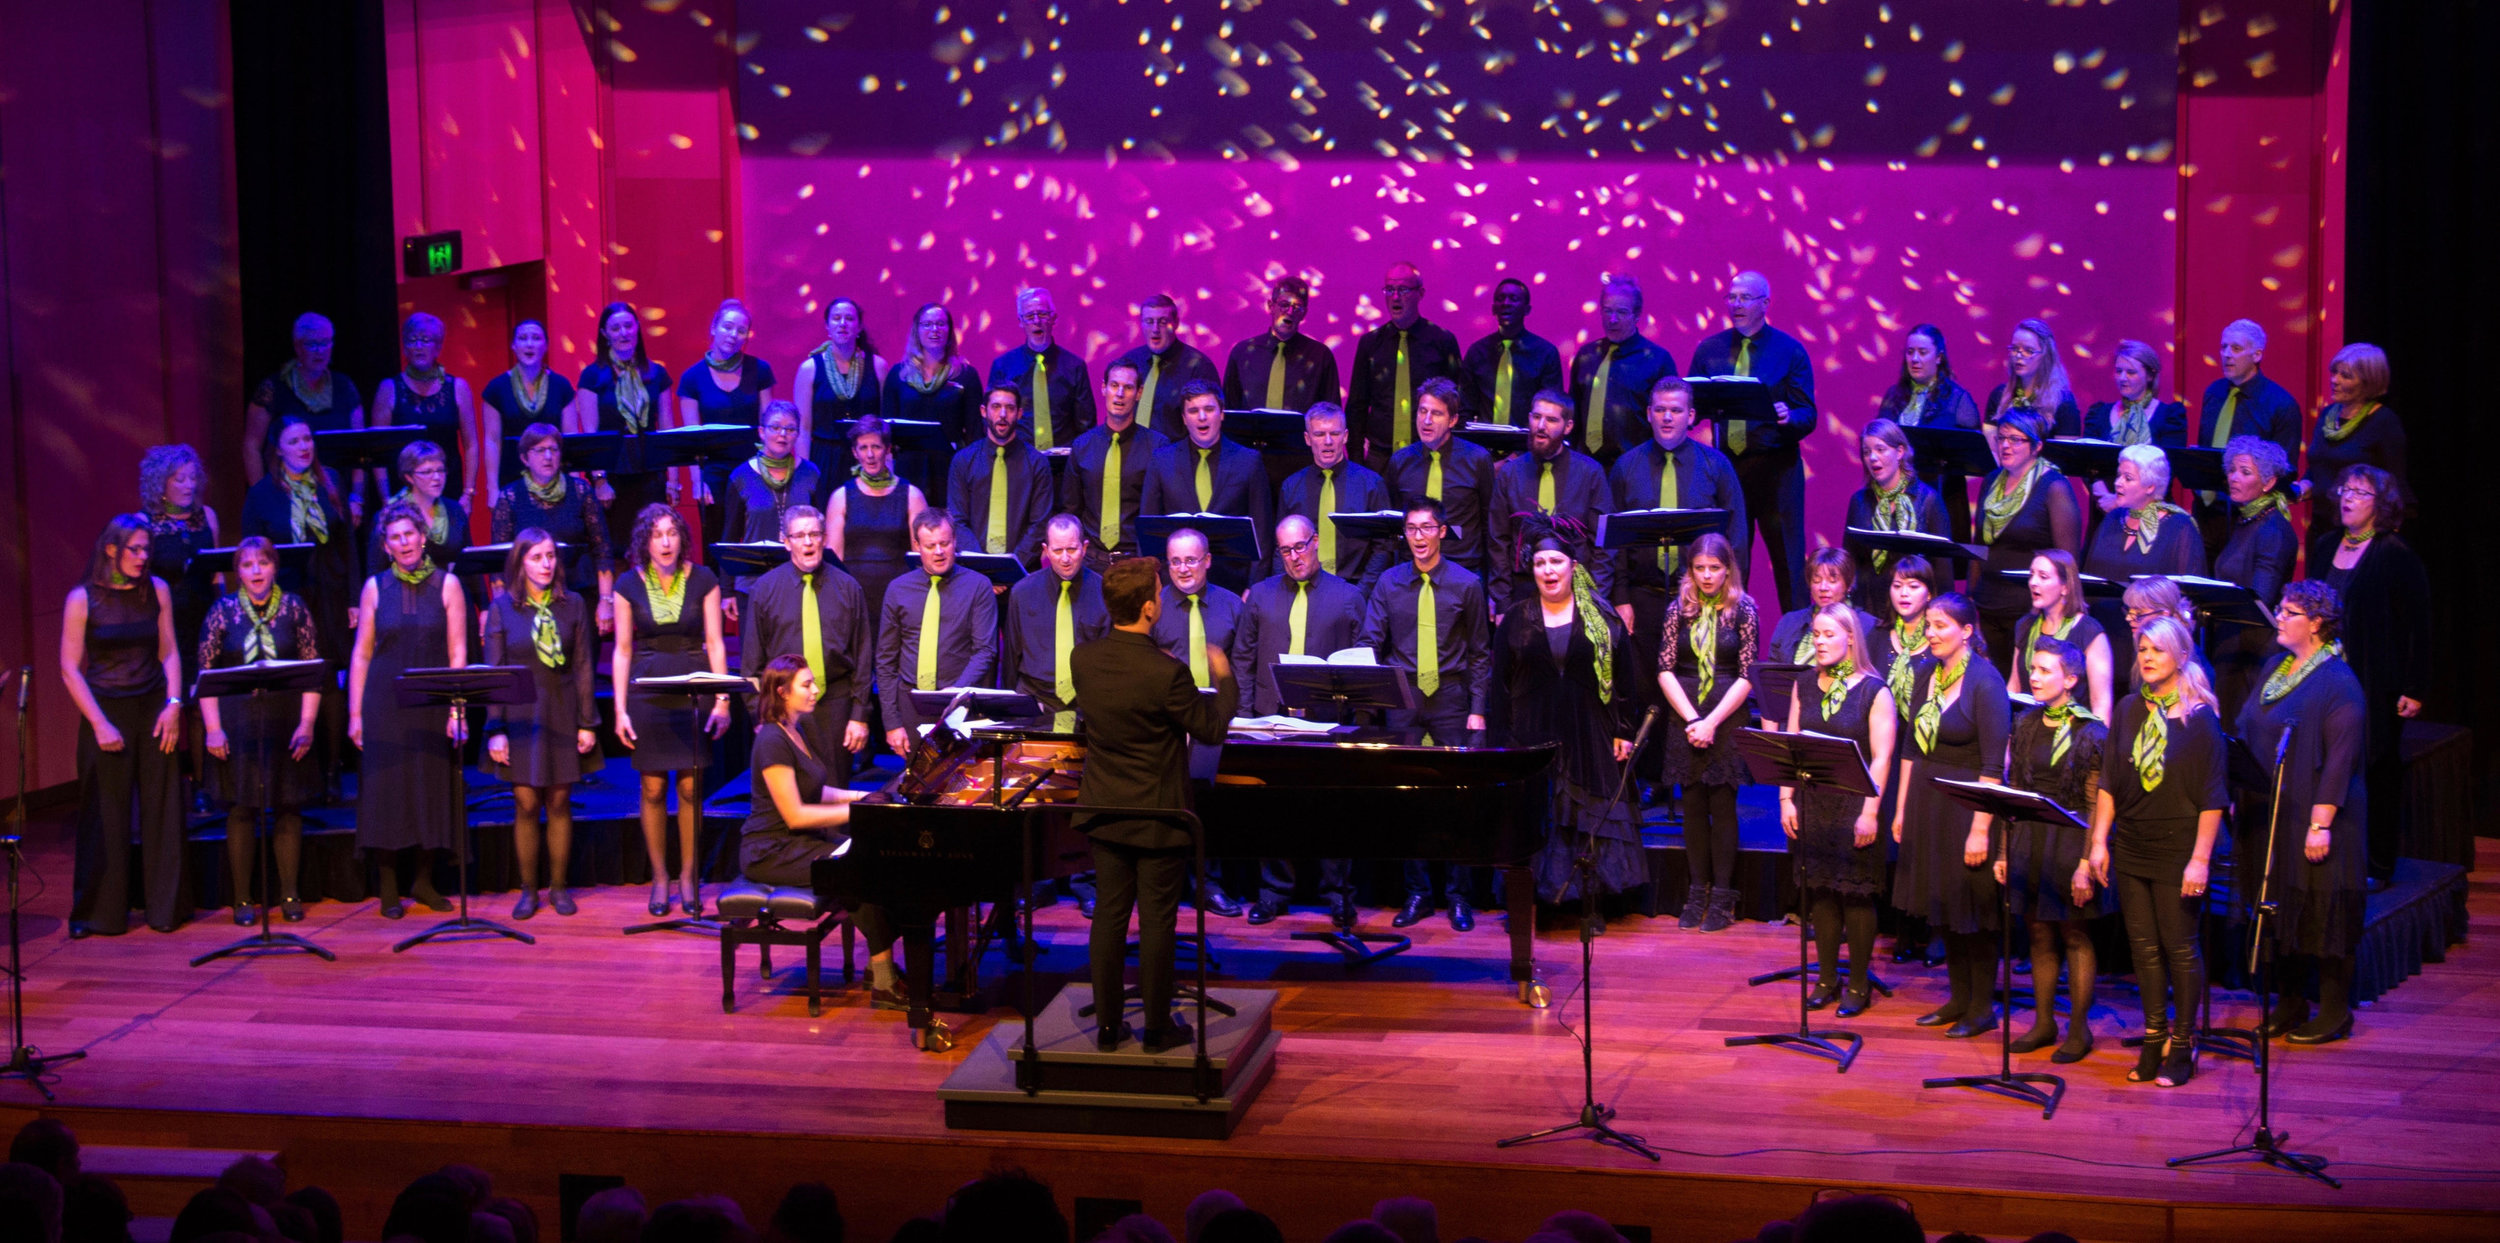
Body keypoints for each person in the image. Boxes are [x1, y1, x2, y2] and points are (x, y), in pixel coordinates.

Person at [1071, 556, 1240, 1052]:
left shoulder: (1084, 659)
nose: (1163, 600)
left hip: (1104, 808)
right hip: (1159, 815)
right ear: (1149, 609)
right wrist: (1225, 678)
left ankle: (1106, 1026)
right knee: (1158, 919)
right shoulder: (1166, 673)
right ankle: (1158, 1028)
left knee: (1109, 915)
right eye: (1160, 595)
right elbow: (1209, 729)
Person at [2083, 616, 2229, 1087]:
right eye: (2142, 648)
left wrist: (2200, 859)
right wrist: (2098, 842)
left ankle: (2183, 1043)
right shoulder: (2128, 709)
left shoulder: (2200, 718)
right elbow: (2109, 781)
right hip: (2133, 843)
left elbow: (2212, 797)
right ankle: (2153, 1036)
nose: (2146, 657)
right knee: (2144, 949)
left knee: (2179, 948)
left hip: (2178, 847)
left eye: (2157, 650)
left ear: (2182, 657)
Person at [2235, 581, 2369, 1045]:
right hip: (2272, 813)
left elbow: (2341, 759)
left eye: (2289, 612)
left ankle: (2334, 1012)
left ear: (2315, 623)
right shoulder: (2276, 666)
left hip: (2314, 815)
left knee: (2321, 910)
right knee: (2279, 908)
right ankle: (2289, 1003)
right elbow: (2249, 724)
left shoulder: (2338, 682)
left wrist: (2321, 823)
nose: (2279, 617)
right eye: (2280, 608)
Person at [1494, 514, 1647, 913]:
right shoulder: (1514, 619)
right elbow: (1500, 685)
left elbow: (1626, 681)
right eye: (1541, 563)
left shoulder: (1602, 618)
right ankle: (1536, 905)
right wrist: (1502, 741)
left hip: (1588, 732)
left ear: (1573, 567)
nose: (1548, 570)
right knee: (1536, 818)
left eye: (1556, 562)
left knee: (1586, 817)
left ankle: (1588, 907)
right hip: (1532, 734)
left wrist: (1623, 730)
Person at [1607, 377, 1745, 797]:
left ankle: (1693, 778)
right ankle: (1649, 779)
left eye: (1676, 410)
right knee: (1646, 684)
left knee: (1691, 682)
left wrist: (1727, 596)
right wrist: (1621, 597)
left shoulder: (1714, 465)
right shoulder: (1626, 466)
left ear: (1691, 416)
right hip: (1646, 597)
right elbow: (1614, 540)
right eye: (1660, 409)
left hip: (1699, 598)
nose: (1667, 417)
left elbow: (1735, 533)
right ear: (1648, 413)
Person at [1362, 499, 1493, 930]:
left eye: (1426, 528)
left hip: (1451, 697)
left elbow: (1479, 653)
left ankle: (1458, 897)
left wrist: (1477, 711)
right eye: (1411, 529)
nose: (1418, 537)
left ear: (1442, 531)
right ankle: (1417, 893)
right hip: (1406, 698)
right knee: (1409, 796)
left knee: (1457, 796)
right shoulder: (1388, 583)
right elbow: (1371, 644)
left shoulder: (1467, 584)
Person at [1231, 514, 1366, 928]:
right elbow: (1243, 656)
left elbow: (1363, 657)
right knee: (1273, 810)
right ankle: (1273, 893)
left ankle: (1339, 894)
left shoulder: (1347, 596)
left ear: (1317, 542)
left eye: (1301, 546)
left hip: (1327, 722)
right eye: (1285, 550)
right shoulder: (1262, 595)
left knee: (1334, 810)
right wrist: (1245, 715)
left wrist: (1355, 720)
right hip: (1272, 719)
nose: (1294, 557)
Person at [1891, 593, 2012, 1037]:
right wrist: (1902, 808)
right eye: (1929, 625)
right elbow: (1909, 746)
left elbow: (1994, 763)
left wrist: (1981, 829)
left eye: (1941, 625)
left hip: (1968, 808)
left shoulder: (1986, 681)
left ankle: (1981, 1008)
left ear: (1966, 631)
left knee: (1972, 912)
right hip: (1928, 800)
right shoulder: (1927, 674)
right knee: (1944, 906)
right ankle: (1958, 999)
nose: (1932, 633)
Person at [62, 514, 186, 937]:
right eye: (135, 549)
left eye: (146, 549)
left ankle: (165, 909)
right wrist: (98, 723)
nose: (142, 556)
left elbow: (169, 652)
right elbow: (68, 668)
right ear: (111, 549)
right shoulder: (83, 598)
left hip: (153, 709)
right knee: (105, 815)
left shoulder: (157, 590)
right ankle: (100, 914)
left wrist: (174, 704)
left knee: (162, 810)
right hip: (105, 712)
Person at [349, 501, 469, 920]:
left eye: (410, 535)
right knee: (387, 791)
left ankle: (423, 879)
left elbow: (458, 652)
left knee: (429, 788)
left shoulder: (448, 586)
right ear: (386, 545)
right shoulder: (374, 588)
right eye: (395, 537)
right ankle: (387, 885)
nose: (404, 543)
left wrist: (458, 710)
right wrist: (355, 714)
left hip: (432, 700)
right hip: (384, 700)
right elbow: (361, 655)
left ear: (424, 537)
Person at [2313, 464, 2429, 889]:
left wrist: (2415, 688)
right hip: (2325, 676)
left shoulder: (2394, 552)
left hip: (2375, 681)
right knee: (2329, 763)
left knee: (2375, 768)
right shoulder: (2326, 545)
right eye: (2345, 489)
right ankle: (2332, 854)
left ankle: (2377, 865)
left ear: (2381, 506)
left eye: (2360, 493)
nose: (2347, 497)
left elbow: (2420, 624)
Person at [612, 505, 731, 917]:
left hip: (692, 689)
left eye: (672, 533)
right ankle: (660, 876)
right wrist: (620, 709)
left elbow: (715, 643)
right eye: (656, 534)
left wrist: (722, 698)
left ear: (682, 539)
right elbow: (622, 649)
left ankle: (687, 875)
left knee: (689, 788)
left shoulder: (704, 579)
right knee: (653, 788)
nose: (665, 542)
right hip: (646, 691)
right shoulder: (627, 583)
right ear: (645, 541)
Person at [1995, 638, 2110, 1061]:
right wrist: (2005, 851)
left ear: (2071, 680)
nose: (2034, 677)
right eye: (2033, 669)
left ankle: (2079, 1030)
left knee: (2074, 933)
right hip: (2030, 837)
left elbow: (2096, 800)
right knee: (2039, 932)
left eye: (2045, 670)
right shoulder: (2025, 723)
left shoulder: (2092, 731)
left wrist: (2086, 861)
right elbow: (2016, 789)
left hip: (2070, 841)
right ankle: (2044, 1022)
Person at [197, 537, 323, 924]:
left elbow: (313, 670)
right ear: (238, 572)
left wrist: (306, 723)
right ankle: (242, 899)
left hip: (284, 721)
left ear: (274, 567)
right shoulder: (222, 611)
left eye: (263, 563)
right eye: (248, 564)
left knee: (288, 806)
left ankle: (289, 893)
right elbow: (205, 675)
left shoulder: (294, 608)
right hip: (238, 724)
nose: (256, 571)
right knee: (242, 808)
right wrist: (213, 729)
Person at [1780, 603, 1896, 1016]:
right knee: (1822, 893)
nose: (1821, 641)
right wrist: (1785, 798)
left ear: (1850, 637)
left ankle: (1859, 984)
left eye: (1829, 634)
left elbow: (1881, 758)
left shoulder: (1873, 690)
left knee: (1856, 896)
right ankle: (1827, 978)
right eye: (1816, 634)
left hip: (1853, 803)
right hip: (1814, 801)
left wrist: (1870, 812)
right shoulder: (1805, 685)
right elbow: (1791, 746)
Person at [482, 530, 598, 919]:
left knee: (559, 800)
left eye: (550, 556)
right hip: (519, 716)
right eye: (536, 558)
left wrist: (587, 722)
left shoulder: (573, 604)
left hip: (562, 710)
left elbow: (583, 665)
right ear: (520, 564)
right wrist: (494, 729)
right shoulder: (502, 609)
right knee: (527, 801)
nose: (546, 564)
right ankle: (528, 889)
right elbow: (495, 672)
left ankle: (559, 887)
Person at [1688, 270, 1818, 611]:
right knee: (1727, 559)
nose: (1736, 304)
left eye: (1745, 298)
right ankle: (1728, 643)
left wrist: (1790, 417)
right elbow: (1694, 405)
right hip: (1729, 470)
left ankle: (1798, 644)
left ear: (1765, 304)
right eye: (1732, 297)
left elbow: (1809, 414)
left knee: (1788, 560)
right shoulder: (1710, 350)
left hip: (1776, 470)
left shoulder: (1789, 351)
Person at [238, 414, 356, 777]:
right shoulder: (262, 494)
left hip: (331, 594)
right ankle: (298, 769)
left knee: (330, 676)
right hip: (286, 597)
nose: (305, 447)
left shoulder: (330, 480)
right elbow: (251, 553)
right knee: (294, 679)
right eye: (295, 442)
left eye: (307, 439)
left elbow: (347, 542)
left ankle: (334, 768)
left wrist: (354, 598)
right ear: (277, 449)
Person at [1657, 532, 1759, 932]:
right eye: (1699, 568)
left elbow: (1748, 673)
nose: (1706, 576)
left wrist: (1712, 721)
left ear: (1727, 569)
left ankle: (1722, 896)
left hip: (1726, 715)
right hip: (1685, 713)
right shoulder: (1678, 609)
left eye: (1714, 568)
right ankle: (1697, 889)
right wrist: (1691, 720)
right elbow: (1665, 667)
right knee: (1693, 806)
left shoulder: (1743, 609)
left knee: (1723, 805)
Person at [1151, 528, 1249, 917]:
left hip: (1213, 721)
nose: (1183, 569)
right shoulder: (1153, 607)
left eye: (1191, 559)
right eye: (1175, 561)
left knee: (1210, 806)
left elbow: (1241, 664)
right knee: (1168, 807)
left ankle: (1211, 885)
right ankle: (1168, 887)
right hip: (1168, 724)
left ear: (1207, 560)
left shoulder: (1231, 605)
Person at [742, 505, 873, 778]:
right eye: (799, 535)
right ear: (786, 541)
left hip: (835, 706)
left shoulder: (848, 588)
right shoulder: (765, 590)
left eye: (814, 534)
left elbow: (862, 658)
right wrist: (762, 715)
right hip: (784, 707)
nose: (808, 542)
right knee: (790, 800)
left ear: (824, 538)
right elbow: (752, 663)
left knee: (835, 794)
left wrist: (859, 715)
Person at [875, 510, 999, 754]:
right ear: (917, 546)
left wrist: (955, 695)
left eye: (945, 543)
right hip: (911, 703)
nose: (939, 552)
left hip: (960, 704)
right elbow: (886, 661)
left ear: (955, 541)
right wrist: (892, 723)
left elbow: (985, 650)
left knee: (958, 784)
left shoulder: (978, 586)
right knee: (916, 785)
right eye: (931, 545)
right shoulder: (898, 589)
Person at [1487, 390, 1617, 616]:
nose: (1540, 426)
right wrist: (1502, 602)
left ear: (1568, 427)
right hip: (1521, 590)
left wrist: (1595, 599)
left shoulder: (1590, 473)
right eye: (1536, 417)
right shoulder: (1510, 473)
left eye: (1551, 420)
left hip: (1577, 590)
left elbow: (1603, 543)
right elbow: (1498, 540)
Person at [738, 654, 864, 886]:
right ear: (783, 692)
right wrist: (861, 811)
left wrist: (863, 797)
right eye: (806, 685)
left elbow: (813, 789)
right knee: (860, 868)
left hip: (799, 841)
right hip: (771, 851)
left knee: (870, 855)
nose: (815, 690)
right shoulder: (772, 740)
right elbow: (795, 816)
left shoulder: (795, 730)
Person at [1970, 409, 2082, 662]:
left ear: (2036, 446)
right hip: (1987, 605)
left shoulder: (2054, 487)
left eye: (2016, 439)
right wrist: (1971, 597)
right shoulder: (1991, 482)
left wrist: (2046, 609)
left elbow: (2067, 559)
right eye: (2001, 438)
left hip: (2028, 610)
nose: (2005, 446)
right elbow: (1979, 546)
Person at [1141, 382, 1276, 590]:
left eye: (1209, 409)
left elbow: (1262, 535)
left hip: (1232, 587)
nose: (1202, 417)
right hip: (1174, 587)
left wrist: (1254, 589)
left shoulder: (1249, 461)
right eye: (1193, 411)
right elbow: (1148, 532)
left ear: (1221, 413)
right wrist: (1153, 586)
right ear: (1184, 419)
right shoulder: (1161, 461)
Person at [2189, 320, 2304, 557]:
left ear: (2257, 354)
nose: (2226, 355)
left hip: (2248, 519)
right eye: (2223, 347)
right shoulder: (2214, 393)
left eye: (2236, 349)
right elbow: (2207, 448)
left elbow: (2285, 471)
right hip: (2207, 513)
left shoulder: (2281, 404)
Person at [569, 302, 674, 556]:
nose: (624, 333)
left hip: (651, 472)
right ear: (605, 334)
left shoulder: (657, 374)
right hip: (612, 477)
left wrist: (673, 481)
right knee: (614, 549)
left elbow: (668, 428)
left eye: (628, 325)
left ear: (637, 328)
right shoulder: (592, 376)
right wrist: (600, 479)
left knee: (654, 546)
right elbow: (591, 433)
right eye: (615, 328)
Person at [2211, 436, 2300, 718]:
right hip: (2232, 643)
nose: (2234, 478)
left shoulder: (2272, 531)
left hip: (2252, 654)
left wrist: (2209, 601)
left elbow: (2260, 599)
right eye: (2232, 470)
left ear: (2269, 483)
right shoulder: (2247, 520)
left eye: (2245, 472)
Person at [2297, 342, 2408, 565]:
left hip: (2362, 535)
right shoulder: (2328, 415)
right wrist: (2298, 488)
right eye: (2334, 373)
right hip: (2322, 530)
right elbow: (2319, 470)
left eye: (2345, 376)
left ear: (2369, 382)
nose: (2335, 380)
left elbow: (2396, 487)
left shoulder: (2384, 422)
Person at [1349, 261, 1464, 473]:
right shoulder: (1370, 343)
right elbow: (1357, 405)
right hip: (1379, 457)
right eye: (1389, 289)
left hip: (1427, 454)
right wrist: (1355, 460)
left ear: (1420, 293)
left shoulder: (1442, 341)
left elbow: (1458, 402)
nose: (1395, 297)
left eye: (1402, 289)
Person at [2082, 444, 2207, 638]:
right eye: (2118, 475)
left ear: (2150, 486)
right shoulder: (2112, 519)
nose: (2118, 483)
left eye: (2128, 478)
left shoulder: (2179, 526)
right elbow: (2088, 577)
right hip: (2102, 633)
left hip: (2147, 640)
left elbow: (2188, 597)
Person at [491, 423, 614, 617]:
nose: (548, 457)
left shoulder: (581, 491)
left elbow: (602, 549)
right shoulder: (510, 497)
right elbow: (498, 559)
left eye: (553, 450)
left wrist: (606, 600)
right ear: (525, 458)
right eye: (540, 450)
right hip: (529, 600)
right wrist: (499, 610)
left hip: (580, 593)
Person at [679, 298, 777, 538]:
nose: (733, 334)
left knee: (757, 537)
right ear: (714, 328)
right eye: (727, 327)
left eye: (741, 330)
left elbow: (768, 426)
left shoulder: (760, 370)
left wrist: (771, 469)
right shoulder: (693, 377)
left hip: (754, 468)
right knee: (717, 539)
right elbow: (691, 438)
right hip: (713, 472)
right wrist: (697, 482)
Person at [1875, 325, 1982, 540]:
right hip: (1895, 497)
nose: (1915, 359)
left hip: (1941, 499)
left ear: (1939, 357)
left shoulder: (1957, 399)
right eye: (1910, 352)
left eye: (1922, 353)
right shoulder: (1894, 396)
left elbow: (1976, 455)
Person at [825, 415, 926, 643]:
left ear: (888, 449)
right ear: (855, 452)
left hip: (898, 601)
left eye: (876, 447)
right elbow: (834, 561)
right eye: (863, 448)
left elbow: (921, 558)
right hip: (854, 600)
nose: (870, 455)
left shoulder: (912, 495)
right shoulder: (841, 497)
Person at [1271, 402, 1393, 590]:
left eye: (1334, 434)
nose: (1328, 441)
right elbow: (1281, 548)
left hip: (1354, 587)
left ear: (1345, 436)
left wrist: (1362, 593)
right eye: (1319, 434)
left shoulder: (1371, 484)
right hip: (1302, 588)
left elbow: (1383, 547)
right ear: (1307, 438)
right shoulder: (1291, 486)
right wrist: (1282, 591)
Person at [718, 401, 826, 612]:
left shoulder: (811, 474)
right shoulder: (741, 476)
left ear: (797, 434)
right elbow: (730, 536)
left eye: (790, 429)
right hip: (752, 585)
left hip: (802, 581)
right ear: (761, 432)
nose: (782, 434)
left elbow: (824, 534)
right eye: (775, 427)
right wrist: (727, 591)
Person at [1760, 548, 1882, 731]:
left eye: (1832, 581)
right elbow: (1769, 688)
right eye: (1817, 580)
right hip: (1792, 724)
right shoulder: (1790, 622)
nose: (1823, 587)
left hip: (1843, 727)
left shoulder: (1868, 626)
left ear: (1848, 584)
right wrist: (1772, 741)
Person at [1062, 361, 1170, 566]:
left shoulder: (1158, 446)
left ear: (1139, 393)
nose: (1120, 393)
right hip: (1091, 562)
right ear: (1104, 388)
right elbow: (1071, 510)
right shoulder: (1082, 445)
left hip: (1137, 562)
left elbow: (1162, 513)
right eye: (1114, 385)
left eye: (1128, 387)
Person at [1001, 515, 1108, 721]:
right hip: (1035, 698)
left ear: (1084, 548)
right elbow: (1011, 656)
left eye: (1072, 549)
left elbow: (1110, 661)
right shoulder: (1022, 592)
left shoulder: (1103, 591)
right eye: (1058, 550)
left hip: (1086, 702)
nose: (1065, 558)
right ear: (1046, 550)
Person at [1387, 378, 1494, 577]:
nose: (1426, 420)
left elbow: (1490, 525)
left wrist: (1493, 585)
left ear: (1452, 420)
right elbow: (1394, 525)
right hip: (1413, 570)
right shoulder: (1400, 461)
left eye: (1436, 413)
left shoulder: (1477, 459)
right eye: (1422, 411)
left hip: (1464, 570)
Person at [243, 312, 364, 487]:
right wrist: (261, 495)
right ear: (298, 347)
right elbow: (251, 445)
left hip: (337, 493)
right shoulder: (274, 387)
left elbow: (359, 447)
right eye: (312, 344)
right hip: (287, 491)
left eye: (325, 343)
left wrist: (357, 498)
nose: (319, 351)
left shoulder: (345, 387)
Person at [371, 312, 478, 505]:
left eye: (426, 340)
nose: (419, 347)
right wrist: (385, 498)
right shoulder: (389, 388)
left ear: (437, 347)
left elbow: (471, 445)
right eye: (413, 340)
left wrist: (468, 494)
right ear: (405, 347)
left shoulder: (458, 387)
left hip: (448, 492)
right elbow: (376, 449)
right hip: (403, 494)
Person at [139, 445, 221, 695]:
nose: (189, 486)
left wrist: (222, 617)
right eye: (180, 479)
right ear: (161, 484)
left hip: (203, 620)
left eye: (193, 478)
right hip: (167, 625)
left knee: (204, 698)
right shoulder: (145, 523)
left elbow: (216, 574)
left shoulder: (207, 516)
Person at [1566, 277, 1677, 461]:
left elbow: (1670, 419)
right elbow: (1573, 414)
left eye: (1622, 312)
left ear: (1637, 315)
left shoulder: (1658, 360)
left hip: (1636, 466)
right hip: (1586, 465)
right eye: (1607, 311)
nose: (1613, 319)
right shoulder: (1586, 356)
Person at [1845, 419, 1951, 609]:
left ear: (1900, 452)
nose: (1873, 458)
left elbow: (1942, 571)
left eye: (1880, 449)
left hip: (1915, 612)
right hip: (1869, 610)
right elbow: (1850, 561)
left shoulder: (1928, 500)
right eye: (1867, 452)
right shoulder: (1859, 501)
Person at [945, 385, 1054, 563]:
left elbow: (1040, 524)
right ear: (983, 411)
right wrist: (984, 565)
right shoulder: (963, 461)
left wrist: (1009, 568)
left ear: (1019, 413)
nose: (1003, 414)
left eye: (1010, 408)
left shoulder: (1037, 463)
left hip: (1022, 571)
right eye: (996, 407)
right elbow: (957, 520)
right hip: (973, 571)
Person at [2011, 549, 2114, 723]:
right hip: (2029, 728)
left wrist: (2096, 745)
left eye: (2043, 577)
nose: (2033, 582)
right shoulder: (2025, 626)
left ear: (2065, 587)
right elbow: (2014, 685)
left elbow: (2101, 703)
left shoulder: (2089, 631)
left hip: (2072, 732)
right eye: (2031, 575)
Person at [479, 320, 574, 506]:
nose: (529, 344)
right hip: (512, 480)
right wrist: (492, 489)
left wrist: (574, 482)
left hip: (554, 481)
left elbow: (570, 438)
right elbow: (492, 441)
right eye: (523, 338)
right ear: (513, 346)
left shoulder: (562, 386)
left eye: (536, 338)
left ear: (546, 346)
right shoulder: (496, 388)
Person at [989, 287, 1094, 450]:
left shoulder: (1074, 366)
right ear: (1020, 321)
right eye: (1030, 316)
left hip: (1064, 461)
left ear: (1053, 318)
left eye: (1043, 314)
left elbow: (1086, 423)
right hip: (1018, 459)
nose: (1036, 321)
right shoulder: (1003, 366)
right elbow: (992, 419)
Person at [1221, 275, 1341, 413]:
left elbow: (1331, 413)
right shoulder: (1243, 352)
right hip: (1251, 434)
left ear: (1304, 314)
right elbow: (1229, 410)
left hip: (1299, 434)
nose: (1289, 312)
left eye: (1297, 308)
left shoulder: (1320, 356)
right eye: (1284, 305)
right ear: (1271, 306)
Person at [881, 302, 985, 456]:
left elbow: (975, 430)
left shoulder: (966, 375)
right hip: (908, 463)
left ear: (949, 331)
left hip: (951, 463)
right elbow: (886, 427)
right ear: (917, 330)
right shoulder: (898, 374)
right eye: (927, 324)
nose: (934, 330)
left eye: (940, 324)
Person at [1460, 277, 1565, 429]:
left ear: (1527, 309)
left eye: (1513, 299)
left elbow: (1551, 408)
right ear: (1493, 308)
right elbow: (1465, 408)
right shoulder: (1477, 352)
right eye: (1500, 299)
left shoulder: (1545, 353)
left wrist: (1521, 451)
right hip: (1482, 446)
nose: (1506, 303)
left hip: (1527, 447)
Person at [794, 296, 886, 466]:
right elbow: (803, 430)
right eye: (836, 318)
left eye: (849, 319)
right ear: (827, 326)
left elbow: (885, 424)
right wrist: (804, 474)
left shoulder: (878, 366)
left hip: (868, 459)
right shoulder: (809, 369)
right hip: (825, 459)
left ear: (859, 327)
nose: (843, 323)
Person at [1111, 294, 1222, 433]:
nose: (1155, 329)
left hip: (1175, 453)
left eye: (1162, 322)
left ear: (1175, 323)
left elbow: (1208, 425)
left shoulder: (1198, 366)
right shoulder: (1130, 361)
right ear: (1141, 324)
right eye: (1149, 321)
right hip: (1131, 451)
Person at [367, 440, 469, 580]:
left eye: (440, 470)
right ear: (409, 477)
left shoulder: (455, 510)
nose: (437, 478)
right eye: (427, 472)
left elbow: (468, 564)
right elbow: (376, 571)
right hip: (409, 595)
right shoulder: (389, 517)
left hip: (452, 593)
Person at [1980, 318, 2083, 437]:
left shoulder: (2063, 402)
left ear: (2045, 355)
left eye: (2028, 351)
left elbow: (2067, 453)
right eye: (2014, 349)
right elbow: (1991, 449)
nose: (2019, 356)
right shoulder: (1999, 395)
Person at [2082, 339, 2186, 450]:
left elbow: (2171, 462)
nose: (2122, 378)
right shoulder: (2099, 413)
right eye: (2118, 371)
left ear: (2150, 376)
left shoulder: (2169, 416)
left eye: (2131, 372)